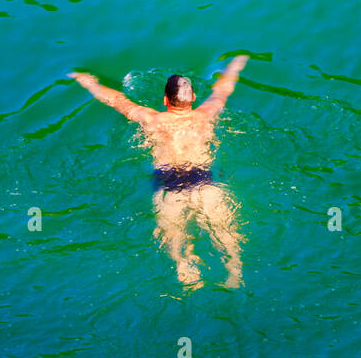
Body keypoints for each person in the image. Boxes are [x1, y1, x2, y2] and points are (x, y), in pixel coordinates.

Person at [68, 56, 249, 288]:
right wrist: (236, 64)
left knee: (175, 242)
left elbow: (115, 99)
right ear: (193, 97)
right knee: (227, 235)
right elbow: (223, 89)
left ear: (165, 100)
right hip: (205, 184)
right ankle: (235, 271)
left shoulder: (151, 119)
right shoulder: (207, 114)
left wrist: (86, 80)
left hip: (170, 188)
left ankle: (186, 270)